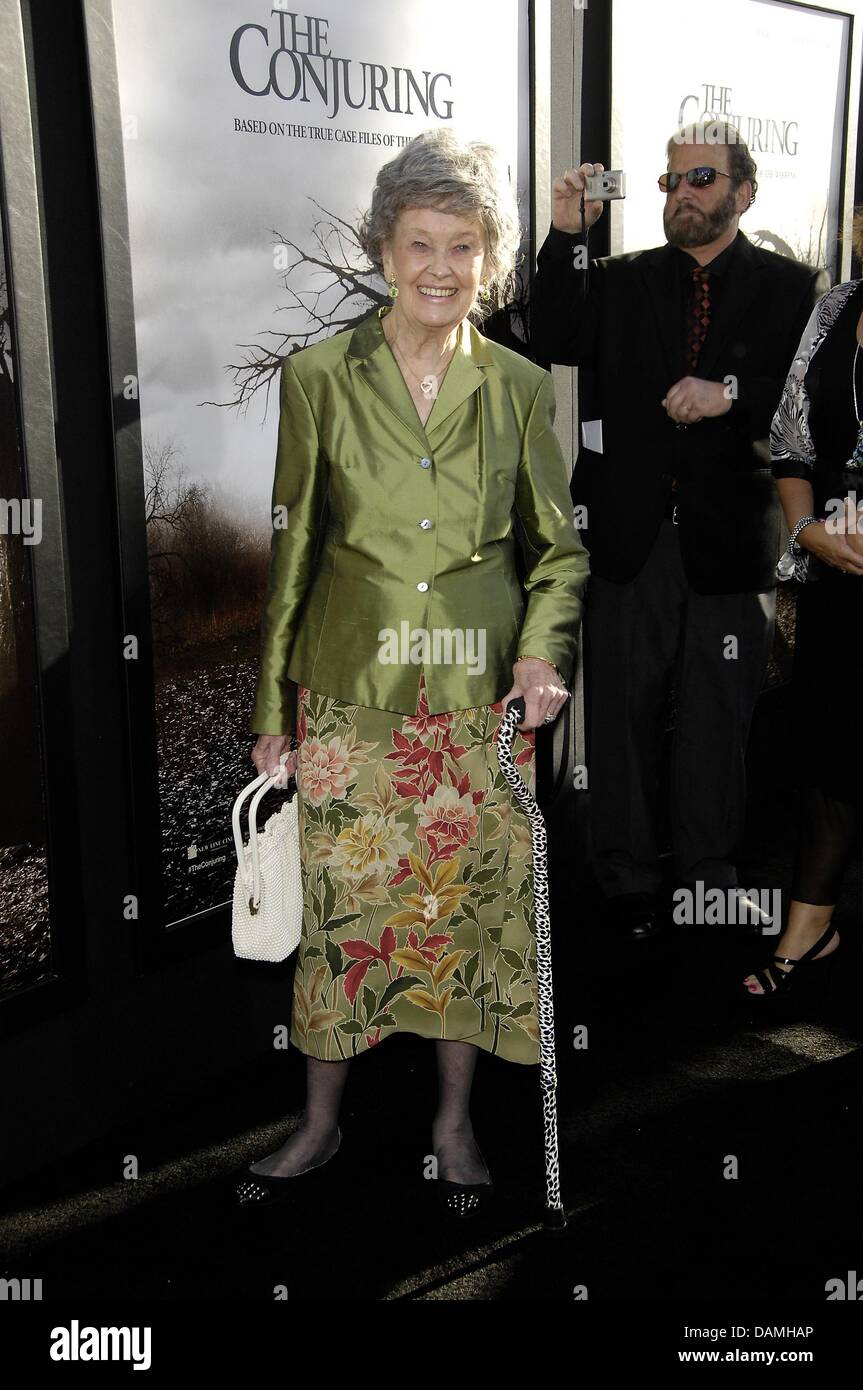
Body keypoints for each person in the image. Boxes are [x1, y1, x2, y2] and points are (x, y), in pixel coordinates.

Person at [236, 129, 590, 1217]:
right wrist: (271, 709)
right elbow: (293, 548)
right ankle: (319, 1121)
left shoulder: (522, 387)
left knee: (462, 927)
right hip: (351, 702)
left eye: (464, 245)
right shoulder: (317, 378)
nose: (440, 266)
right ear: (381, 248)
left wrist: (540, 647)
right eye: (418, 242)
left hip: (481, 709)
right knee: (343, 923)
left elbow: (558, 550)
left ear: (488, 258)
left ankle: (450, 1122)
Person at [530, 121, 829, 940]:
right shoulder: (620, 279)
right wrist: (565, 233)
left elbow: (811, 399)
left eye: (700, 178)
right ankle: (624, 880)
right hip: (630, 539)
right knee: (620, 715)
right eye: (669, 181)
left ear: (743, 191)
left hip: (731, 544)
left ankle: (707, 875)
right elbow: (548, 335)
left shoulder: (791, 287)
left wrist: (730, 389)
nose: (681, 194)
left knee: (715, 718)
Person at [741, 226, 863, 993]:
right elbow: (789, 442)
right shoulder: (835, 309)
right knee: (833, 750)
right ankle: (809, 926)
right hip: (841, 578)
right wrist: (806, 528)